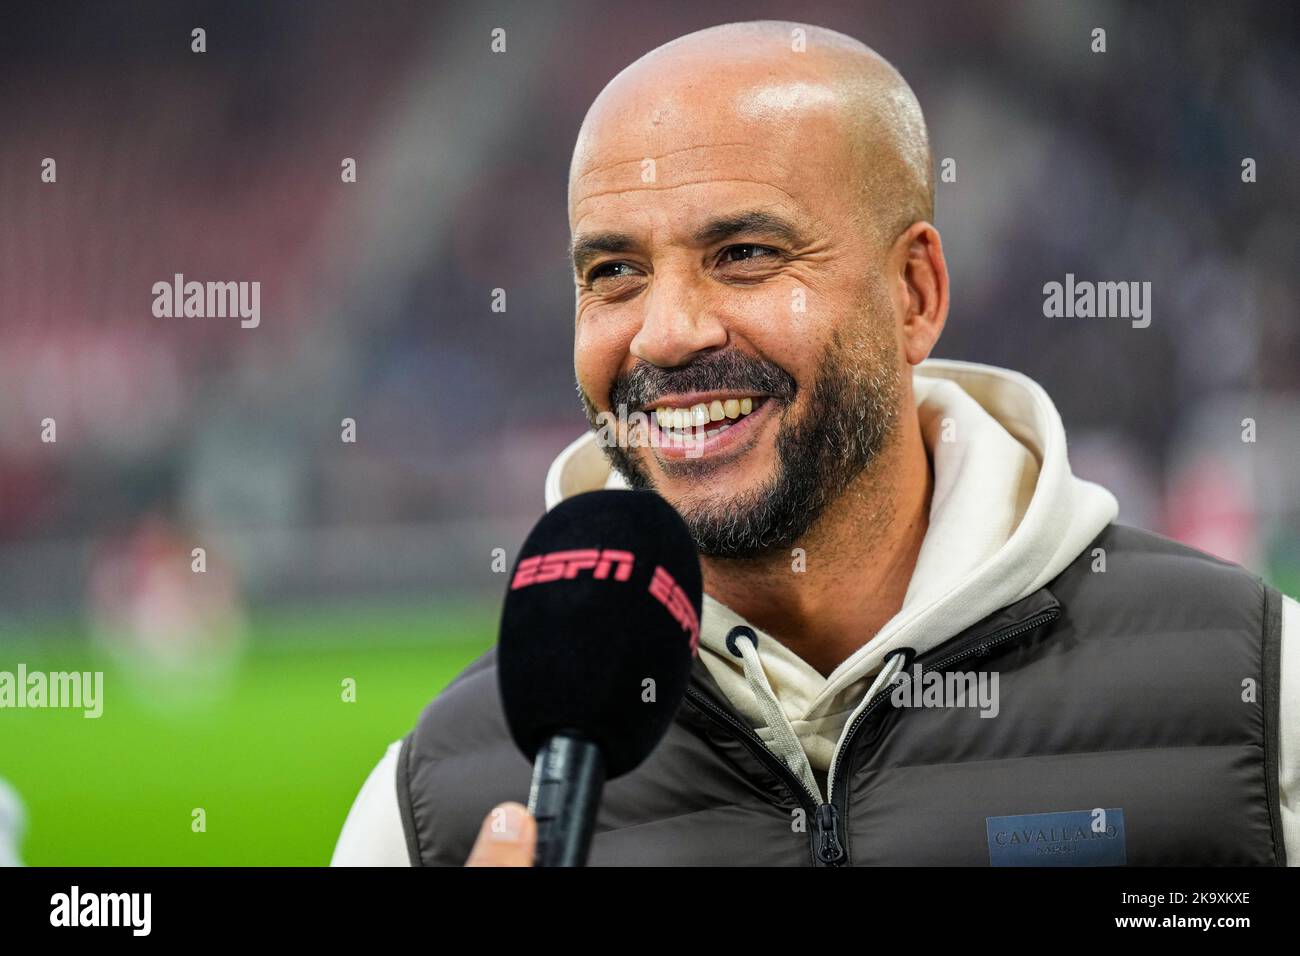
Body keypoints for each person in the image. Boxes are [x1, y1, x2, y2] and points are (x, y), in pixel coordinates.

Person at [332, 20, 1298, 866]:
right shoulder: (435, 808)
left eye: (745, 255)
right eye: (615, 270)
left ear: (913, 295)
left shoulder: (1261, 701)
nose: (666, 332)